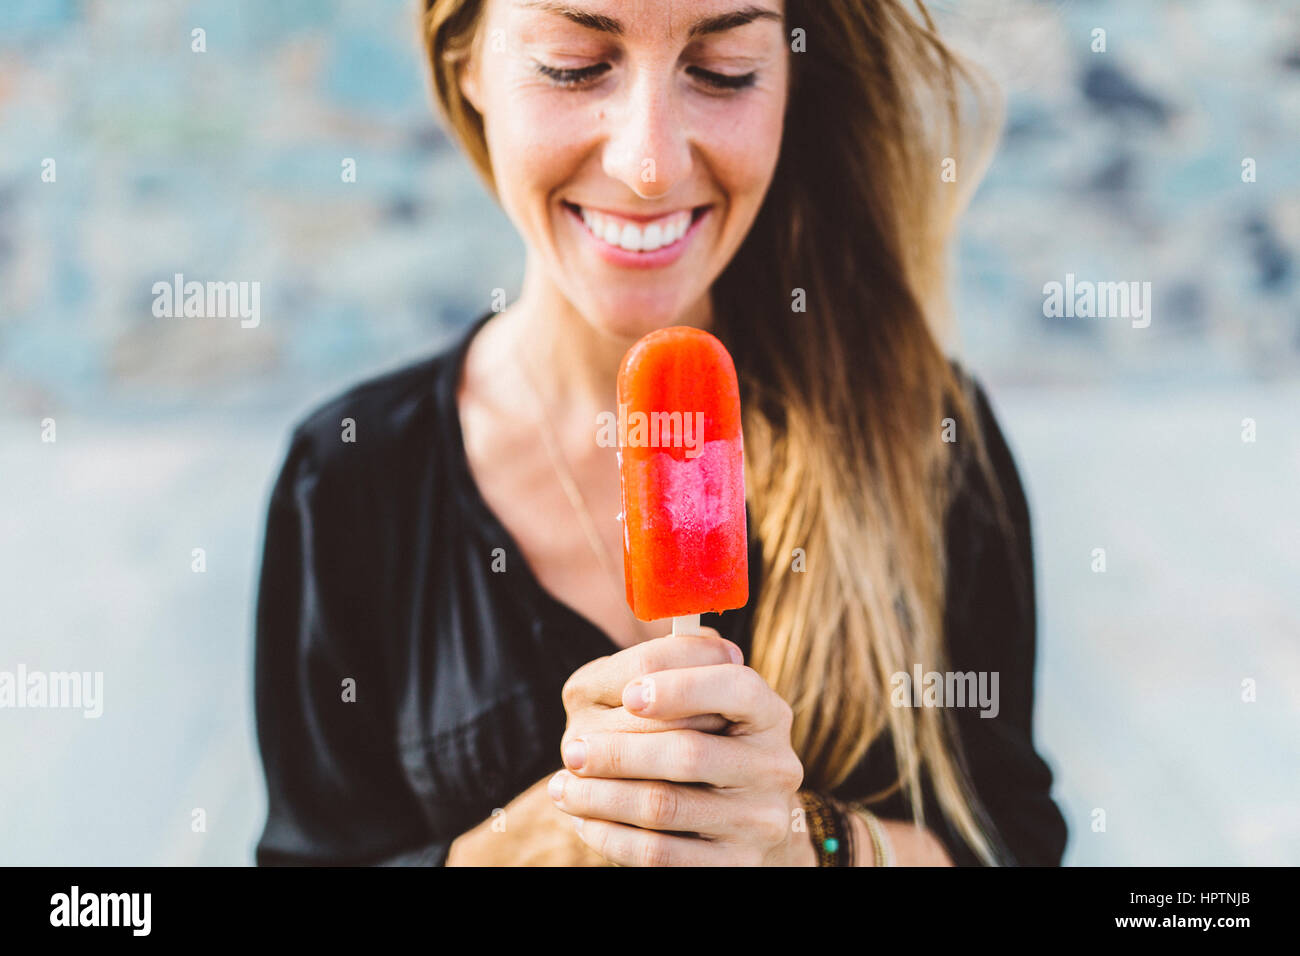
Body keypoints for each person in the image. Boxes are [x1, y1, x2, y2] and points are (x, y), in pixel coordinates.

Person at [253, 0, 1068, 866]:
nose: (649, 165)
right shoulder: (347, 477)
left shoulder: (925, 441)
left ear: (792, 74)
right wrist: (501, 856)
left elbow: (1009, 839)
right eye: (573, 64)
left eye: (723, 71)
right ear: (466, 63)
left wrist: (811, 846)